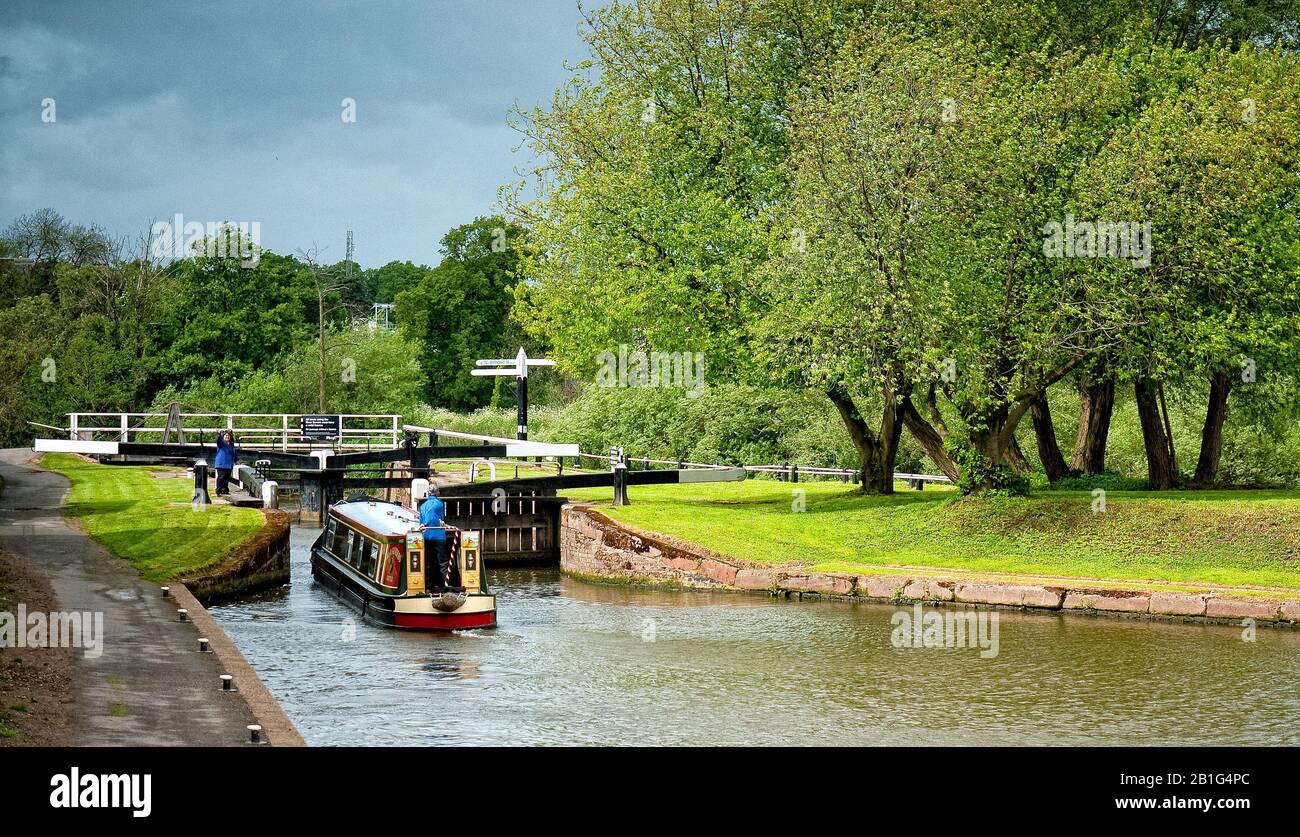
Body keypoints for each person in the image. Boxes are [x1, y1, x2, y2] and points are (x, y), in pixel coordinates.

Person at [419, 490, 449, 592]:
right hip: (439, 536)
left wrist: (424, 525)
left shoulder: (422, 506)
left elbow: (421, 521)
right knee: (443, 563)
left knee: (429, 562)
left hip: (427, 537)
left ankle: (428, 587)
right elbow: (435, 516)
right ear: (437, 494)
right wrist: (427, 523)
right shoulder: (439, 503)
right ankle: (446, 586)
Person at [213, 431, 237, 496]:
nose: (227, 437)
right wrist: (218, 434)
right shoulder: (221, 443)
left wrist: (236, 460)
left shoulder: (231, 445)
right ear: (223, 437)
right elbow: (218, 440)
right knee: (221, 477)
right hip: (221, 463)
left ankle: (225, 490)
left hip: (229, 464)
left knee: (226, 478)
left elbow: (234, 454)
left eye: (228, 435)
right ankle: (219, 490)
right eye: (226, 435)